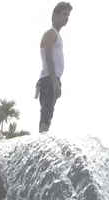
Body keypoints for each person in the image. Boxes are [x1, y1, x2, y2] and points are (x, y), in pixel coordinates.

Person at [36, 2, 72, 133]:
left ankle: (44, 132)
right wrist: (54, 81)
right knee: (46, 111)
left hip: (52, 78)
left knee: (49, 111)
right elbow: (48, 57)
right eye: (64, 14)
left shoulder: (56, 34)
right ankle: (42, 135)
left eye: (68, 15)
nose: (66, 18)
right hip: (49, 78)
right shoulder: (51, 33)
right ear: (55, 15)